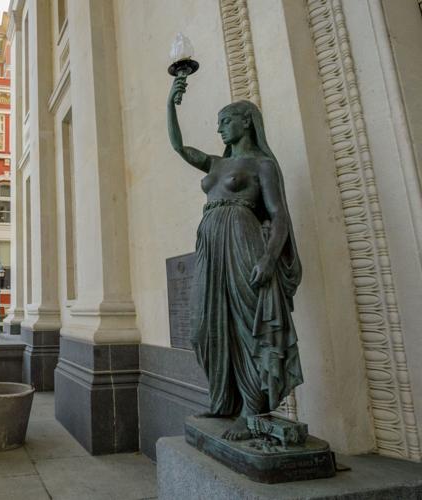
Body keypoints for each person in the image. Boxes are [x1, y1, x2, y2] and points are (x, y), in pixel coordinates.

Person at [167, 74, 303, 440]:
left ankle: (250, 410)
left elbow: (279, 217)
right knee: (203, 327)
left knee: (247, 327)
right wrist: (171, 102)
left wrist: (270, 259)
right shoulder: (215, 164)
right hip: (211, 249)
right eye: (219, 123)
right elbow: (180, 148)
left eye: (226, 120)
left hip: (244, 245)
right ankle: (223, 400)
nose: (220, 128)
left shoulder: (262, 166)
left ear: (246, 122)